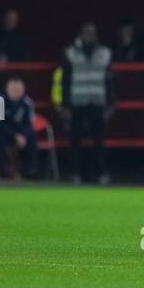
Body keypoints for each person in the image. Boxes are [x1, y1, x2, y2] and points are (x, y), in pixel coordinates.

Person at [60, 23, 114, 184]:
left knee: (99, 140)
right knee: (74, 140)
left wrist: (111, 102)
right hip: (77, 102)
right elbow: (65, 80)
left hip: (97, 101)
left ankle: (100, 173)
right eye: (85, 32)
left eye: (92, 32)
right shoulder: (70, 52)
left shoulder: (105, 53)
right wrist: (65, 104)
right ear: (80, 33)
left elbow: (109, 80)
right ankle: (75, 173)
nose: (88, 35)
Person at [0, 76, 38, 179]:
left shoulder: (27, 102)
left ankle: (30, 171)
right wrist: (15, 135)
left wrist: (23, 136)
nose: (16, 92)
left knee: (32, 137)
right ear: (7, 89)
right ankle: (3, 171)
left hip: (20, 133)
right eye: (13, 89)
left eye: (19, 89)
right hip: (4, 132)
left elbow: (29, 124)